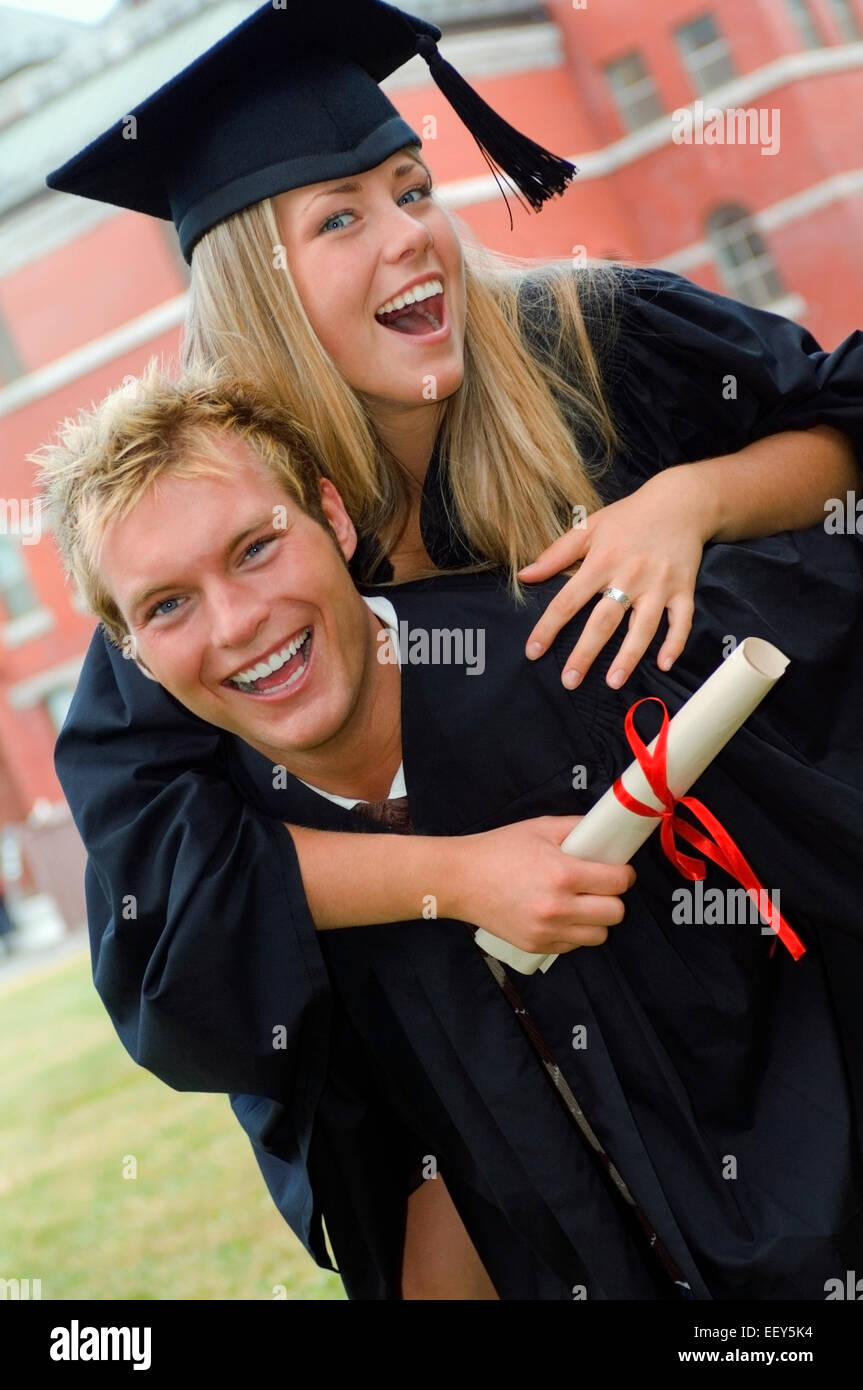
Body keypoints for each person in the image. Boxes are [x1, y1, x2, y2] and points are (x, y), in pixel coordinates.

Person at [43, 0, 863, 1294]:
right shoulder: (214, 536)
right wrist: (456, 873)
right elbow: (168, 885)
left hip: (732, 990)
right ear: (256, 278)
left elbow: (841, 432)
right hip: (469, 1074)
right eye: (341, 216)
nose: (412, 233)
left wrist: (688, 505)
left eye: (412, 187)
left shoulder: (589, 343)